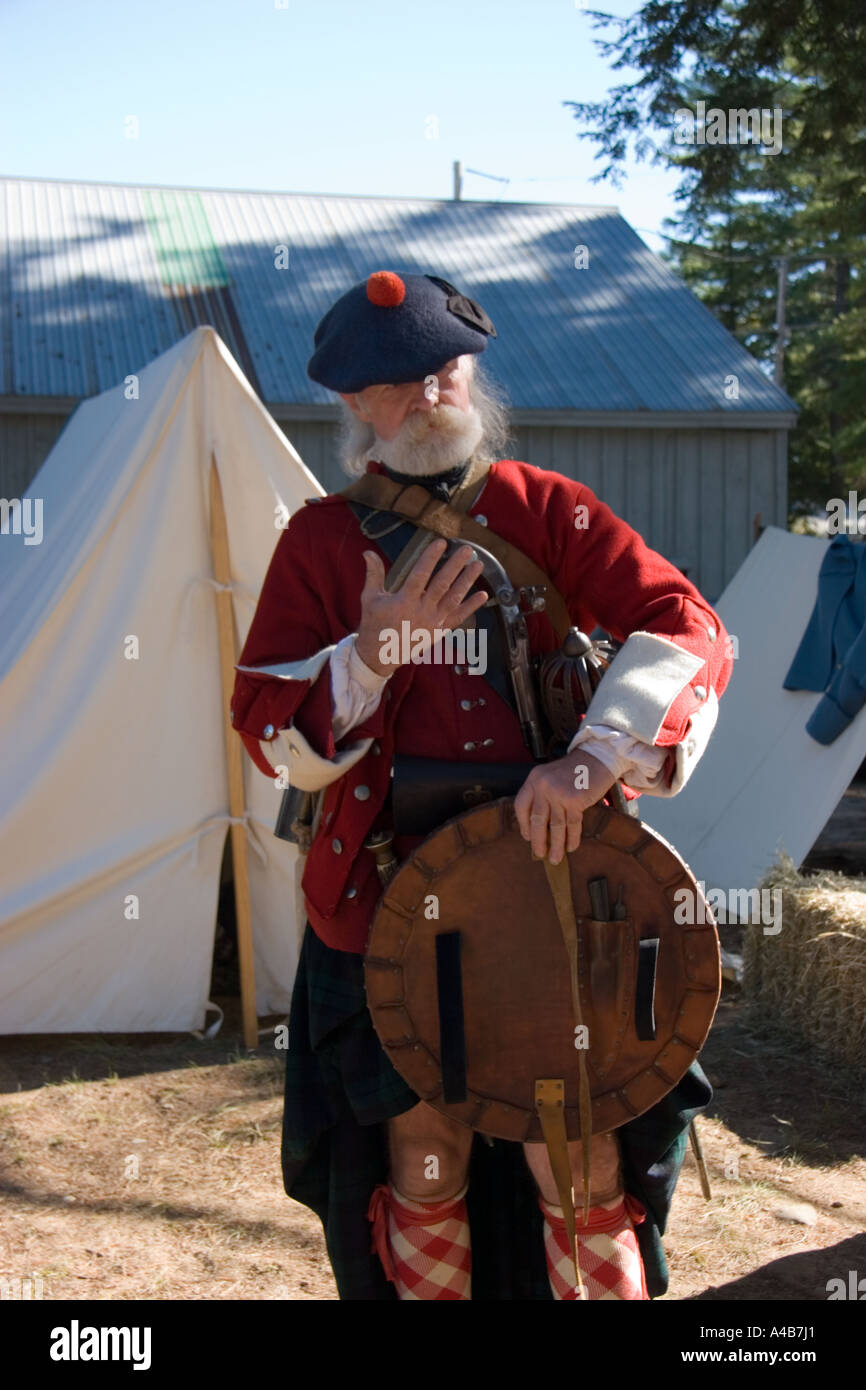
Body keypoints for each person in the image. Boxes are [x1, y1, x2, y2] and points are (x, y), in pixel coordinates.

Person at [230, 269, 733, 1301]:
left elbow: (686, 627)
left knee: (579, 1153)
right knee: (421, 1153)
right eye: (396, 381)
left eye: (442, 367)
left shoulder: (543, 508)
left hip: (563, 890)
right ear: (352, 404)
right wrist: (366, 657)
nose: (428, 391)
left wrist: (592, 755)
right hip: (381, 903)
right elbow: (268, 730)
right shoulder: (319, 543)